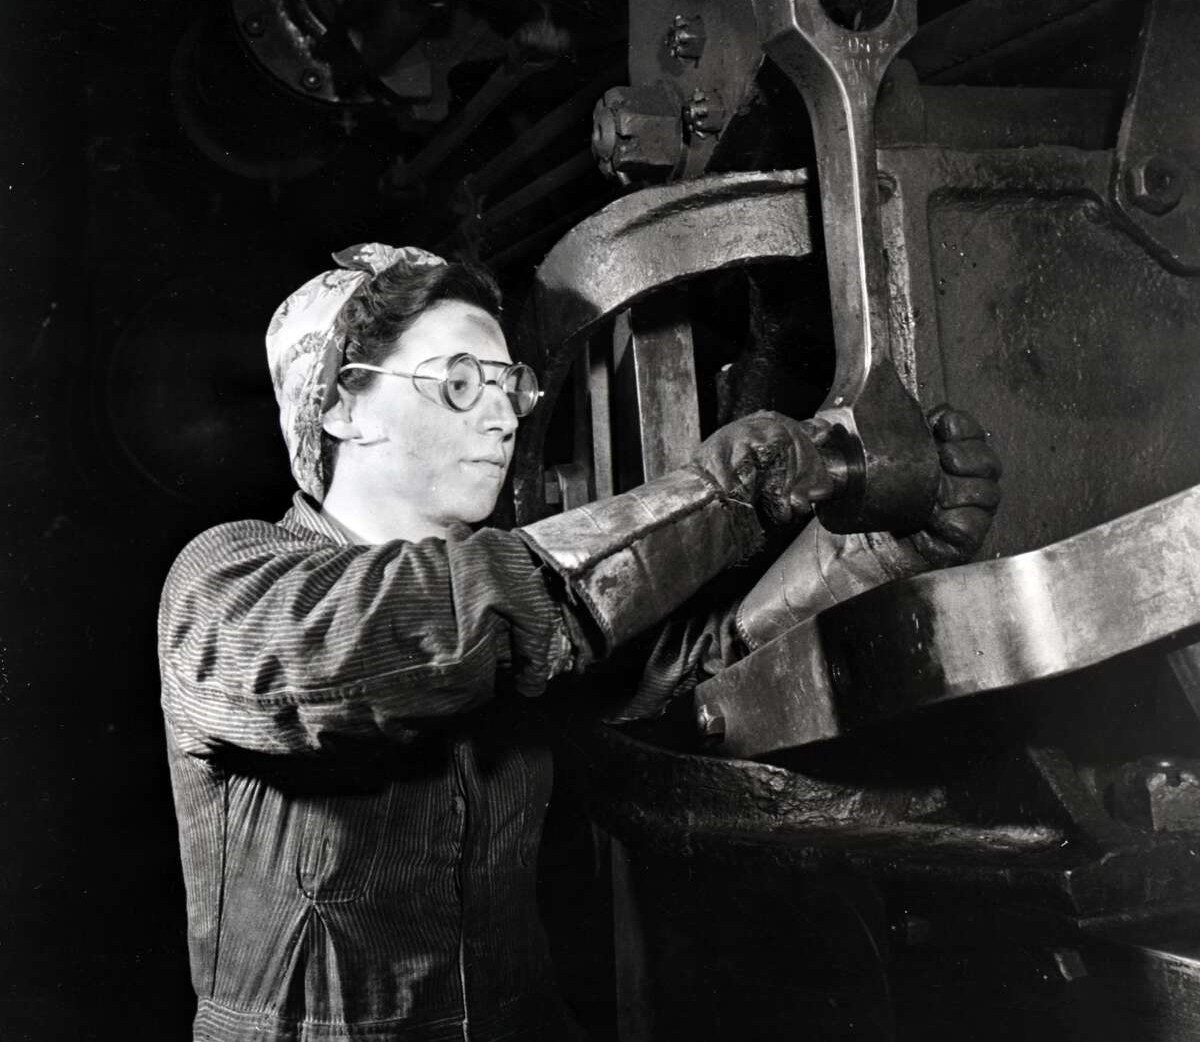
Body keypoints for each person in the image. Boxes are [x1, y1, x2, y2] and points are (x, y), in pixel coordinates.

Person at [158, 243, 1000, 1042]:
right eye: (458, 382)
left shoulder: (524, 603)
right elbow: (448, 624)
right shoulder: (229, 584)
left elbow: (688, 672)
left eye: (509, 387)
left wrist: (868, 553)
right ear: (342, 403)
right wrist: (718, 495)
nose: (503, 416)